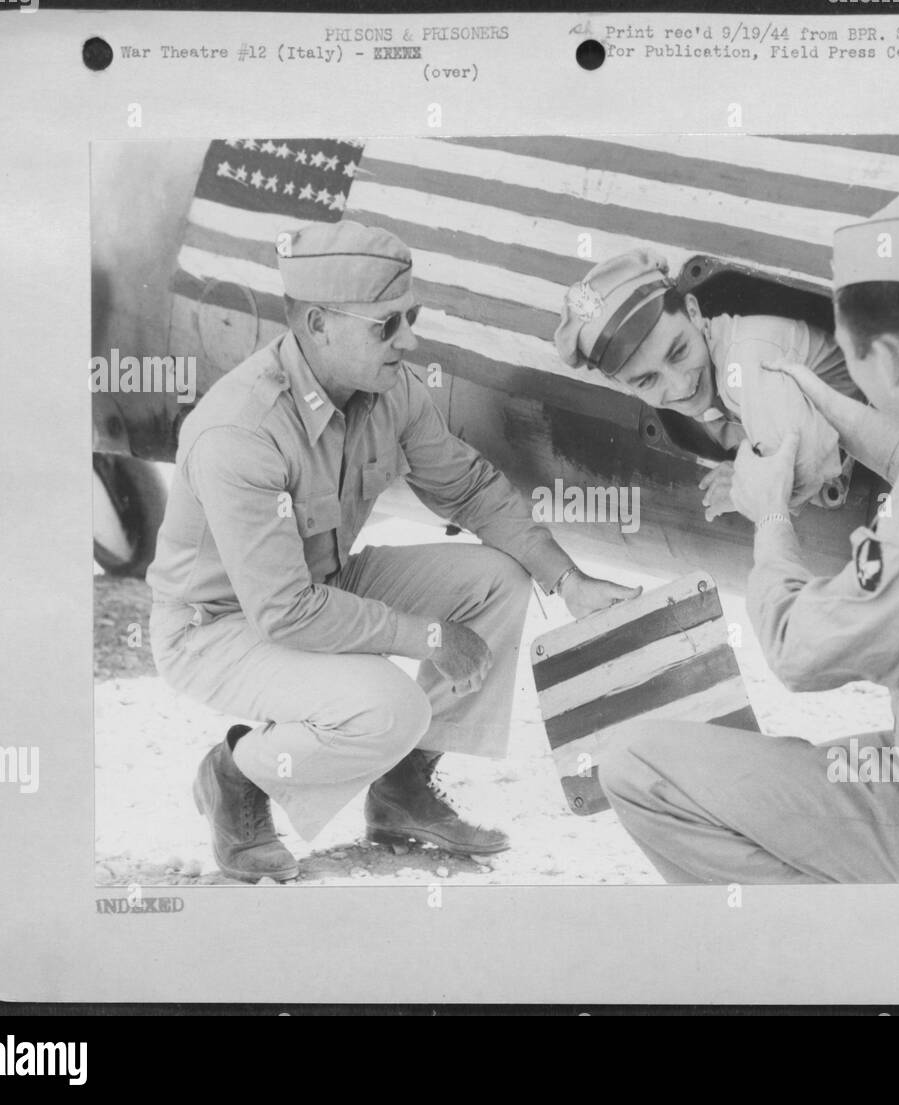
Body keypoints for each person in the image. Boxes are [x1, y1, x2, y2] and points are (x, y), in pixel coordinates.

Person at [597, 194, 899, 884]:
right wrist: (827, 401)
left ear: (880, 356)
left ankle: (846, 958)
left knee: (637, 767)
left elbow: (798, 651)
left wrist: (769, 518)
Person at [147, 220, 638, 882]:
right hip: (217, 625)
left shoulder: (388, 386)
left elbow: (468, 488)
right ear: (318, 324)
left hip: (325, 582)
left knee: (499, 578)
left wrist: (569, 580)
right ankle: (236, 775)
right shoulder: (241, 431)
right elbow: (285, 612)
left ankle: (403, 790)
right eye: (386, 325)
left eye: (409, 317)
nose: (407, 340)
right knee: (390, 707)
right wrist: (428, 636)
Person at [553, 249, 865, 523]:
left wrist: (747, 489)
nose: (681, 384)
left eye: (678, 351)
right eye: (647, 380)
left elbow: (810, 463)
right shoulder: (709, 380)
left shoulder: (745, 358)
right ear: (621, 385)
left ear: (693, 312)